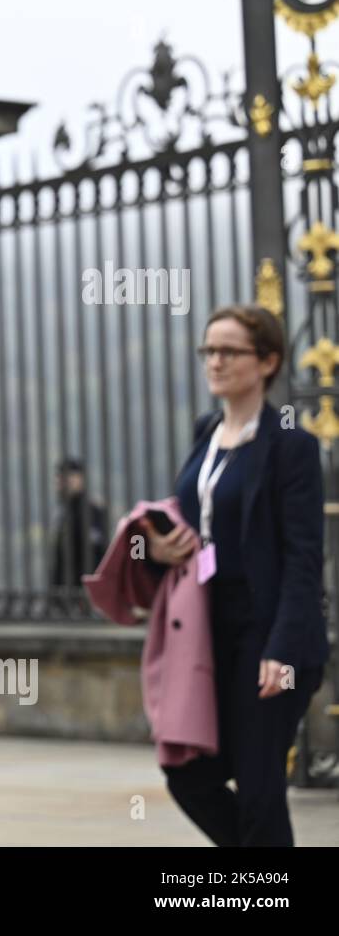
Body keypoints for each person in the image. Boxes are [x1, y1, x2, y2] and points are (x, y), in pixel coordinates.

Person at [142, 305, 329, 846]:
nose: (215, 361)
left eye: (229, 351)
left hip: (267, 636)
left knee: (259, 786)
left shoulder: (292, 446)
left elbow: (303, 558)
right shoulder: (206, 433)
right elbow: (188, 522)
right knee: (188, 772)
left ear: (267, 361)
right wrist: (156, 547)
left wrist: (283, 650)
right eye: (209, 350)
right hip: (206, 632)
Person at [50, 458, 108, 586]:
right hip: (64, 591)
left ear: (80, 479)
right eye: (59, 478)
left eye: (69, 477)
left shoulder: (91, 511)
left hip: (82, 590)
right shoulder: (63, 512)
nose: (62, 482)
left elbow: (96, 551)